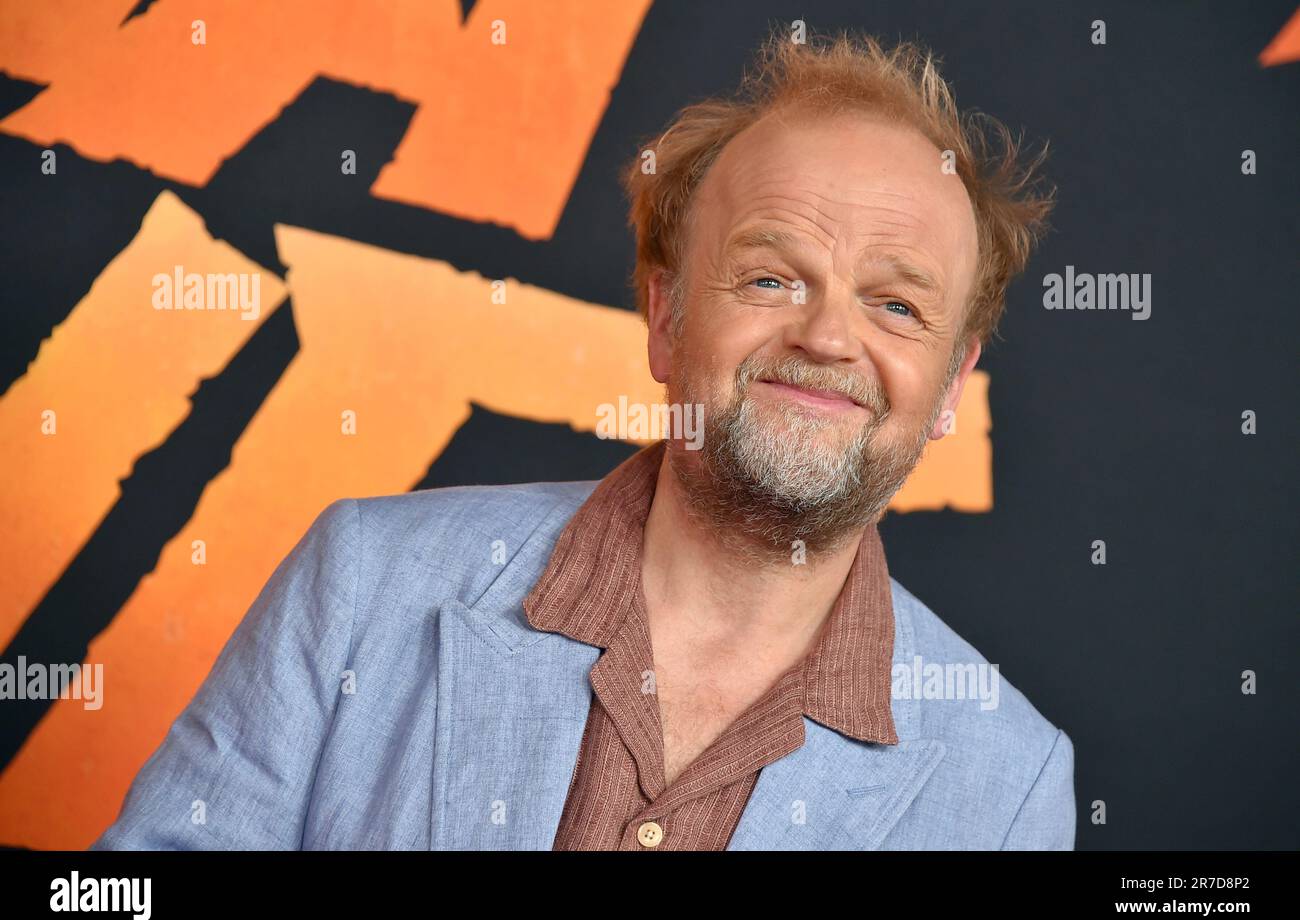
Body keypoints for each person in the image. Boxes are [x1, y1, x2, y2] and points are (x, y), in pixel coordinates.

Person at [93, 28, 1073, 851]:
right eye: (770, 277)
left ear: (950, 386)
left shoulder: (1013, 782)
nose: (825, 336)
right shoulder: (358, 582)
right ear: (663, 319)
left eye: (896, 303)